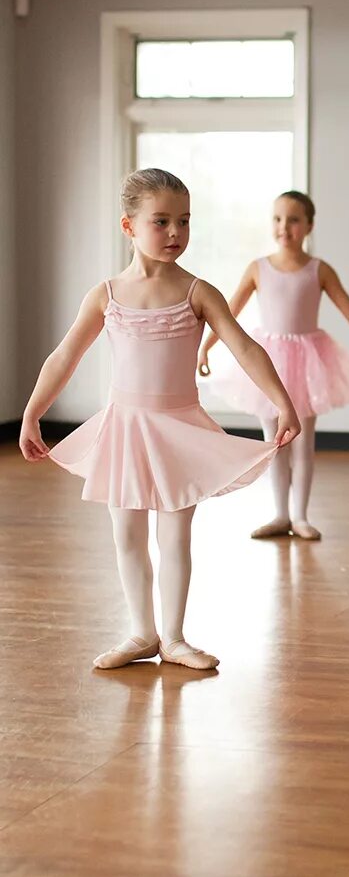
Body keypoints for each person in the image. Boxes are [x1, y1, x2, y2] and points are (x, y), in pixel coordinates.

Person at [19, 168, 301, 669]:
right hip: (124, 428)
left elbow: (244, 347)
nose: (176, 232)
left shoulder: (198, 292)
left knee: (174, 535)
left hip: (180, 428)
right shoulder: (106, 294)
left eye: (184, 221)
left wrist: (282, 402)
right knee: (126, 534)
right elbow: (64, 356)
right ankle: (141, 634)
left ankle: (173, 638)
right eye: (162, 221)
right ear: (128, 226)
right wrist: (32, 413)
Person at [199, 191, 349, 540]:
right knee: (274, 442)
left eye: (294, 220)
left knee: (303, 443)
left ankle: (300, 516)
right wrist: (207, 347)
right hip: (267, 363)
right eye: (278, 219)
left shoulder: (319, 270)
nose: (284, 227)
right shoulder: (258, 268)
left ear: (309, 226)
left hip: (308, 364)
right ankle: (280, 515)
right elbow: (228, 311)